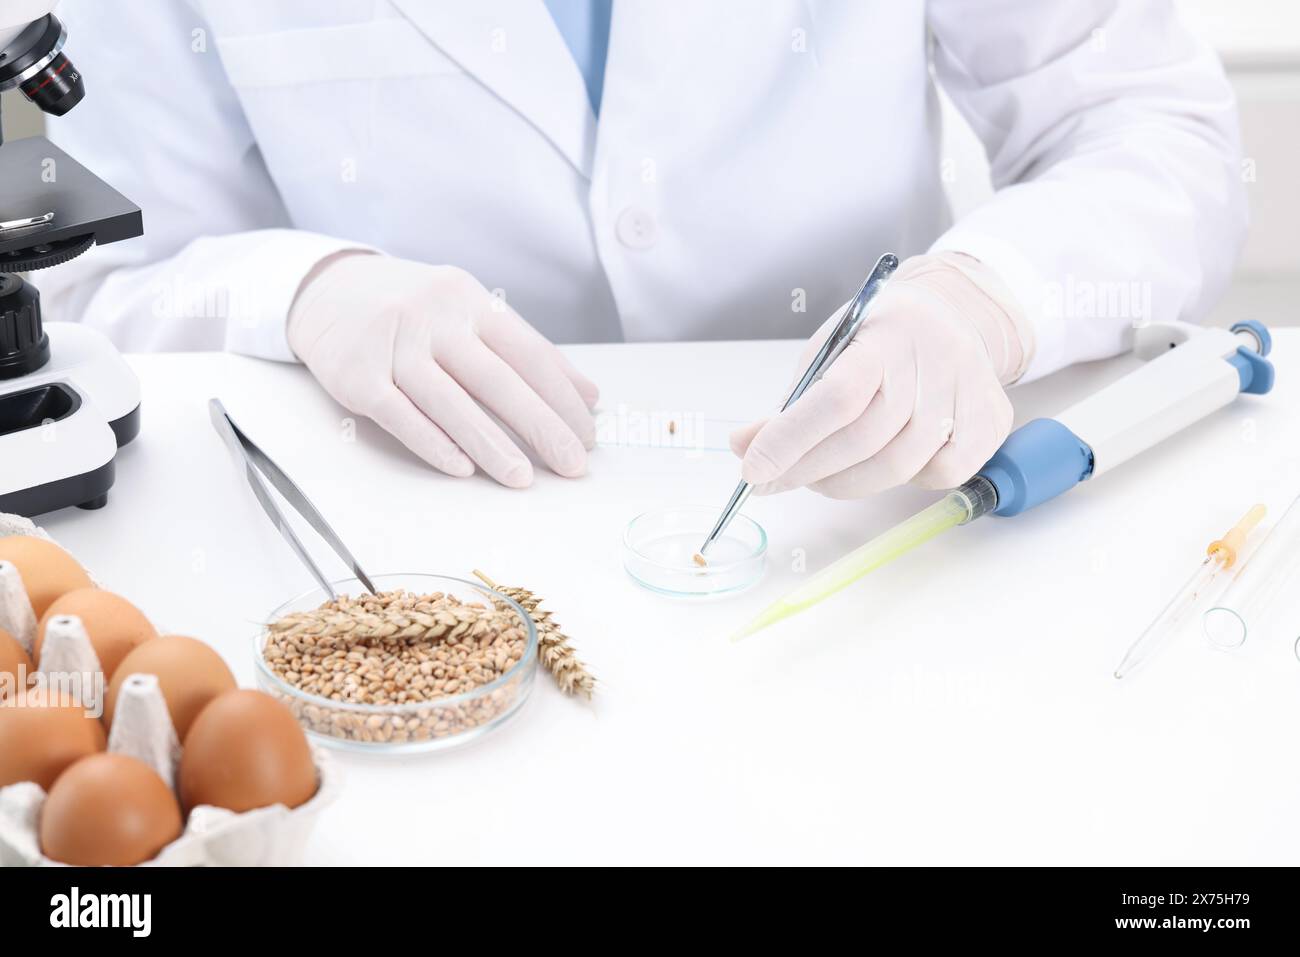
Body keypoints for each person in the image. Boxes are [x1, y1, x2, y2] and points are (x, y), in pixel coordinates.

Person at [42, 0, 1246, 494]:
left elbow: (1147, 125)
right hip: (406, 523)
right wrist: (303, 291)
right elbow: (88, 273)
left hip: (877, 513)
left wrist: (982, 302)